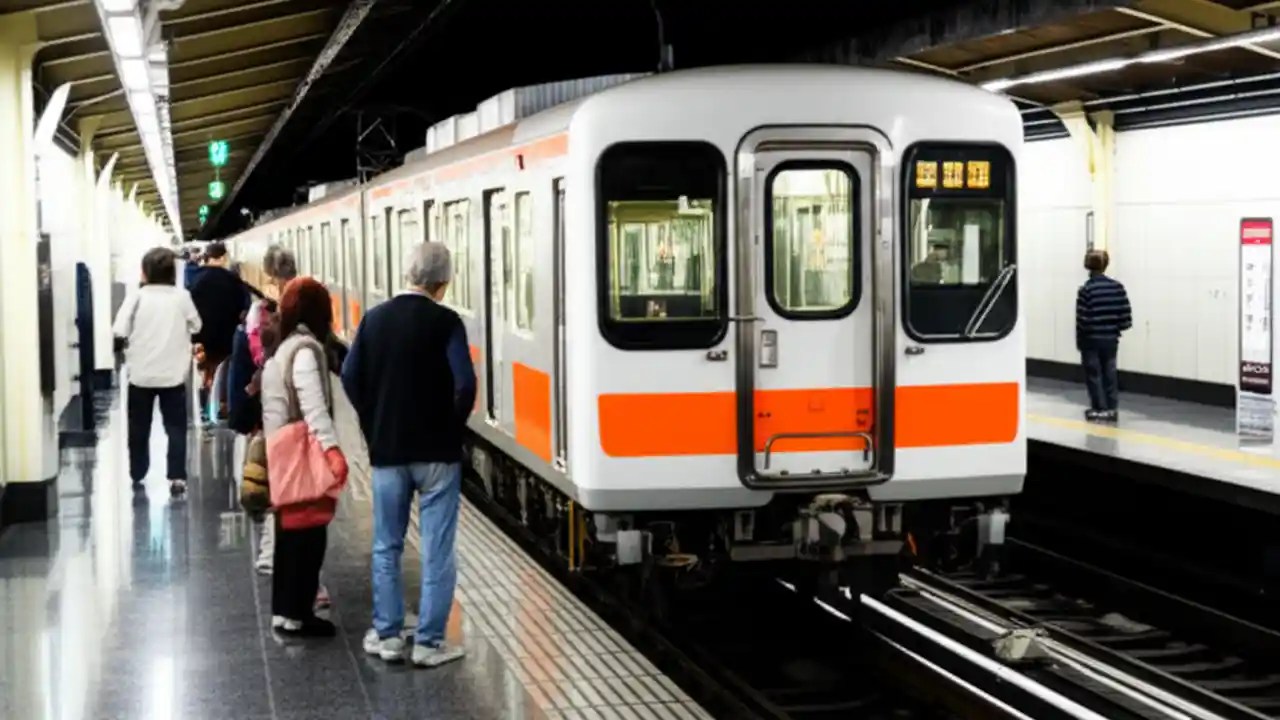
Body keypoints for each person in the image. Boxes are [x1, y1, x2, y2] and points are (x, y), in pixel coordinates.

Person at [343, 242, 475, 668]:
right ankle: (430, 643)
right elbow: (465, 383)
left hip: (388, 452)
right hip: (438, 454)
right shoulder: (447, 322)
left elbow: (349, 376)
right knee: (437, 548)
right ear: (443, 281)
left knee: (387, 544)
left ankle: (388, 635)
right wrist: (451, 426)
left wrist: (372, 419)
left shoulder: (374, 320)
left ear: (408, 275)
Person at [260, 277, 348, 637]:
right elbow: (312, 406)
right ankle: (299, 615)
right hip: (302, 454)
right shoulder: (306, 351)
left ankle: (284, 611)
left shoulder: (284, 347)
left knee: (289, 535)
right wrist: (332, 450)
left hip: (281, 449)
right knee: (309, 537)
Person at [111, 248, 202, 496]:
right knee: (175, 428)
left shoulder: (136, 297)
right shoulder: (181, 297)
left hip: (140, 375)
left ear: (146, 271)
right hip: (173, 376)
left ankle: (138, 471)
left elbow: (119, 329)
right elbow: (197, 324)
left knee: (139, 427)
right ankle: (176, 477)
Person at [189, 241, 250, 426]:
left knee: (205, 373)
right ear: (223, 257)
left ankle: (204, 410)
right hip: (227, 337)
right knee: (224, 372)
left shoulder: (194, 280)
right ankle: (223, 407)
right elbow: (244, 307)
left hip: (202, 338)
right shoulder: (232, 279)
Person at [1076, 249, 1133, 422]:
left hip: (1091, 339)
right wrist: (1114, 328)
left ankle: (1099, 408)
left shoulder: (1086, 290)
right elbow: (1126, 318)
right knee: (1110, 372)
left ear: (1088, 266)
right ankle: (1111, 409)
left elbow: (1082, 319)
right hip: (1111, 339)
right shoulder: (1118, 288)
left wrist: (1083, 337)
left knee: (1094, 373)